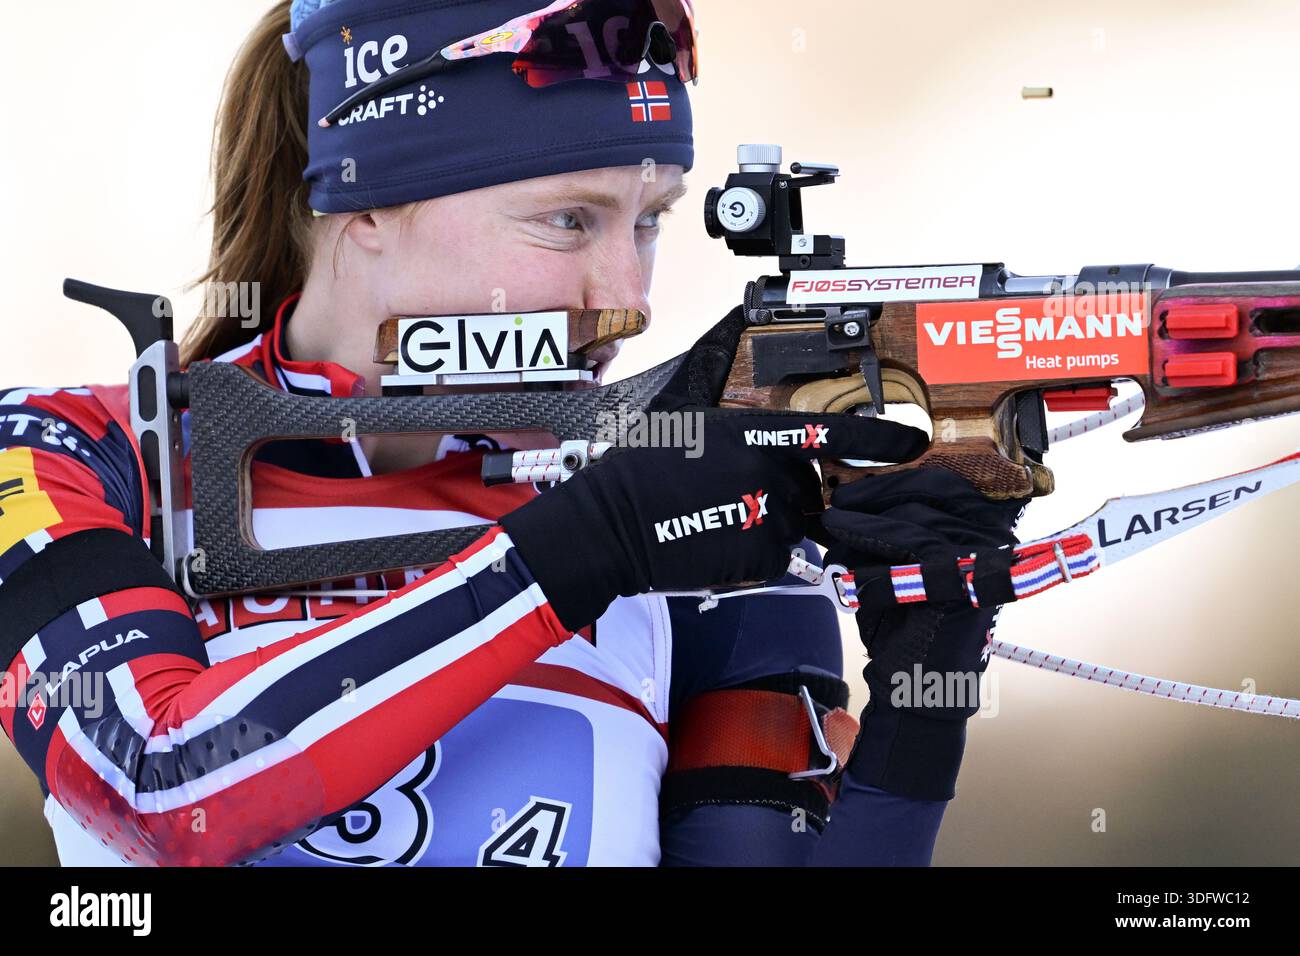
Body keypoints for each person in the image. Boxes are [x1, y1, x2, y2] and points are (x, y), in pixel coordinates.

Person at [0, 0, 1025, 866]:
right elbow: (156, 785)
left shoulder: (686, 514)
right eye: (569, 221)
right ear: (366, 205)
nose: (626, 296)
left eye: (651, 220)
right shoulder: (72, 451)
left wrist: (919, 703)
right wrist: (582, 549)